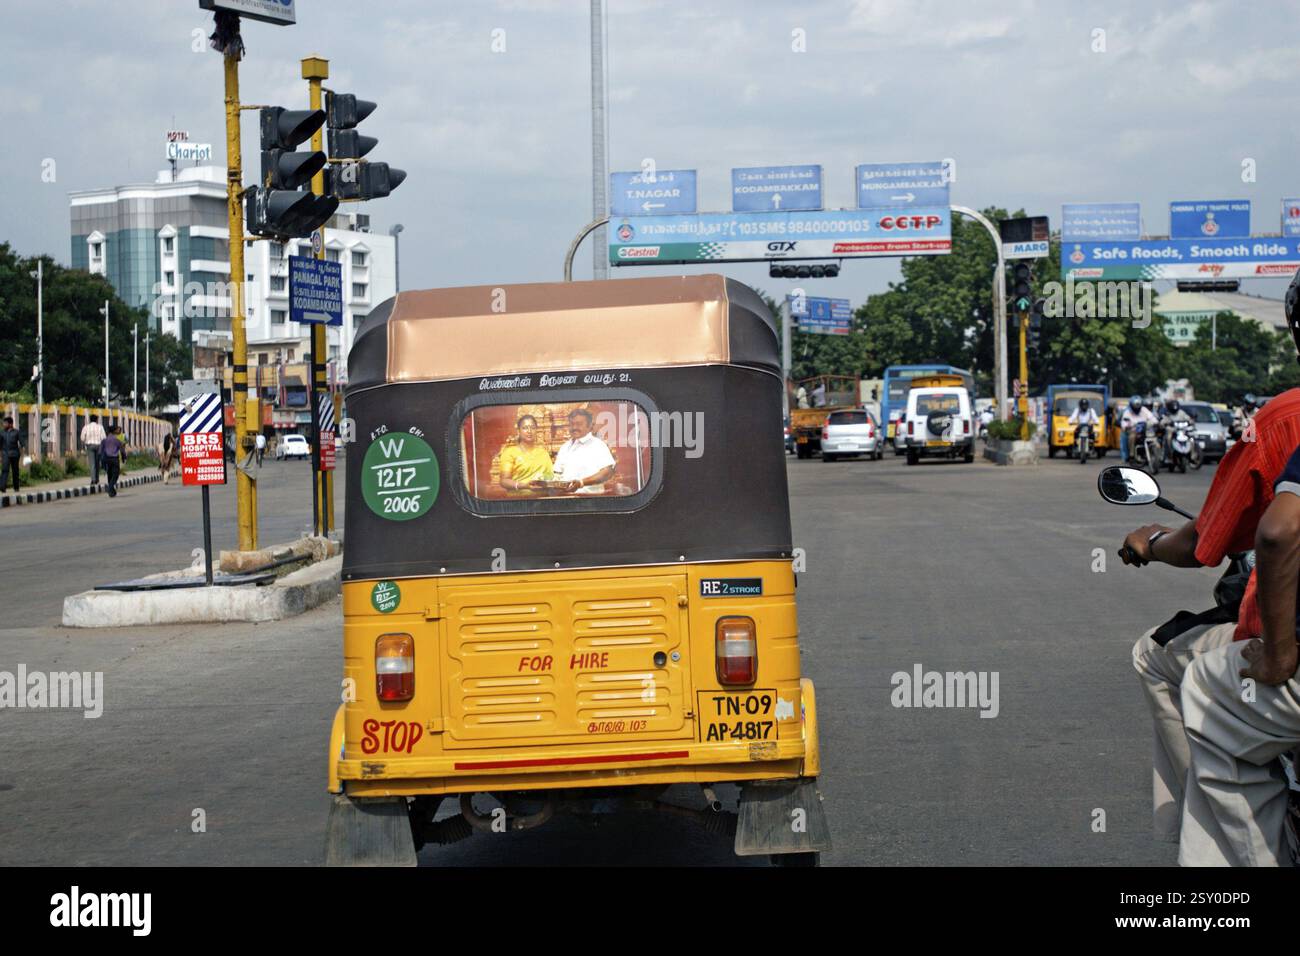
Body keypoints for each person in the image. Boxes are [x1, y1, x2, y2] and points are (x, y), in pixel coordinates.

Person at [1123, 270, 1300, 847]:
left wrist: (1149, 545)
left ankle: (1206, 858)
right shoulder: (1166, 422)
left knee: (1166, 663)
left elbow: (1215, 543)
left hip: (1288, 656)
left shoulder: (1281, 419)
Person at [552, 408, 615, 495]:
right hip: (566, 499)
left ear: (589, 426)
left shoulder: (598, 445)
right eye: (571, 424)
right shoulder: (565, 447)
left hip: (590, 500)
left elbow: (607, 472)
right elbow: (557, 474)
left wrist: (581, 483)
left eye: (579, 424)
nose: (574, 427)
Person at [497, 414, 553, 496]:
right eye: (525, 428)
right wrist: (524, 486)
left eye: (533, 428)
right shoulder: (510, 452)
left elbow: (550, 477)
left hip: (542, 499)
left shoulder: (543, 453)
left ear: (536, 430)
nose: (529, 431)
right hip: (518, 500)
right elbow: (504, 481)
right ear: (518, 431)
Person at [1119, 395, 1156, 463]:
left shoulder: (1144, 410)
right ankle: (1131, 455)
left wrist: (1155, 422)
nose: (1137, 408)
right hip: (1134, 430)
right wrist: (1128, 425)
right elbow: (1124, 423)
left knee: (1154, 438)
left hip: (1145, 430)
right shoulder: (1127, 412)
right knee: (1132, 437)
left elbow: (1152, 418)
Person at [100, 424, 125, 498]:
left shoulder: (104, 440)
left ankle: (112, 492)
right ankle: (110, 487)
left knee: (109, 474)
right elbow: (122, 450)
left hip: (107, 459)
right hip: (114, 459)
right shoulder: (117, 440)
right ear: (114, 431)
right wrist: (124, 457)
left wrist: (102, 460)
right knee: (115, 474)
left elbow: (100, 451)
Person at [80, 415, 105, 486]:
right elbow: (103, 438)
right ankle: (97, 479)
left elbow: (82, 438)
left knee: (92, 463)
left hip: (90, 446)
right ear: (97, 420)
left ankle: (93, 480)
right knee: (97, 463)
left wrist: (86, 442)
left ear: (90, 419)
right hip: (98, 446)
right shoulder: (100, 427)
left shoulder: (86, 427)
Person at [0, 416, 23, 493]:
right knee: (4, 470)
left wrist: (23, 453)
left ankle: (16, 487)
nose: (3, 424)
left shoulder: (16, 432)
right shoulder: (2, 433)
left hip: (15, 454)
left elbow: (22, 443)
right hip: (5, 454)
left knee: (15, 471)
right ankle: (2, 487)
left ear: (10, 424)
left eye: (5, 423)